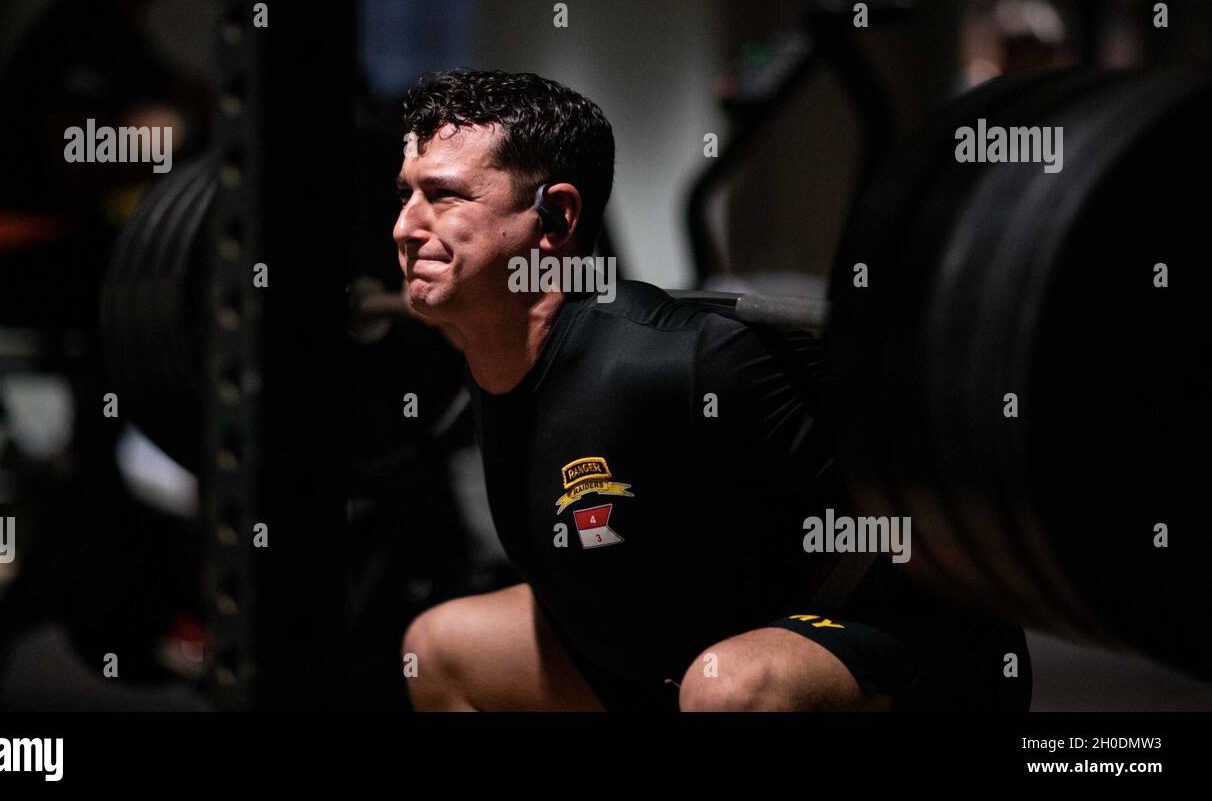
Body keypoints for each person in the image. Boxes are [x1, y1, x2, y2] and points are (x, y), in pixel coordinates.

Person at [394, 68, 1031, 711]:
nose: (405, 226)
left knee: (727, 688)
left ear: (555, 217)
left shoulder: (688, 362)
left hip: (907, 645)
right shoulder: (491, 354)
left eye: (444, 196)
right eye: (406, 194)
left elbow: (931, 515)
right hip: (675, 649)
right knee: (443, 647)